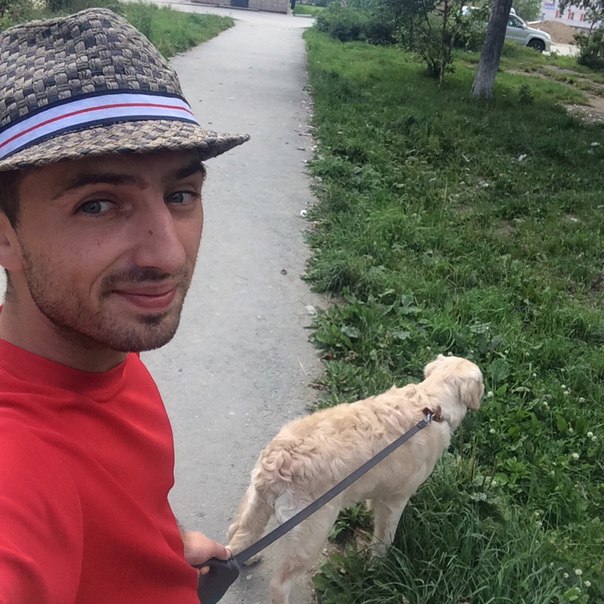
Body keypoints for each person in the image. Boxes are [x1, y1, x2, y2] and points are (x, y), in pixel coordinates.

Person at [0, 7, 248, 603]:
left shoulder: (101, 345)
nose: (167, 253)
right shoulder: (17, 470)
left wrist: (161, 549)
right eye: (97, 204)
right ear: (4, 235)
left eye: (180, 194)